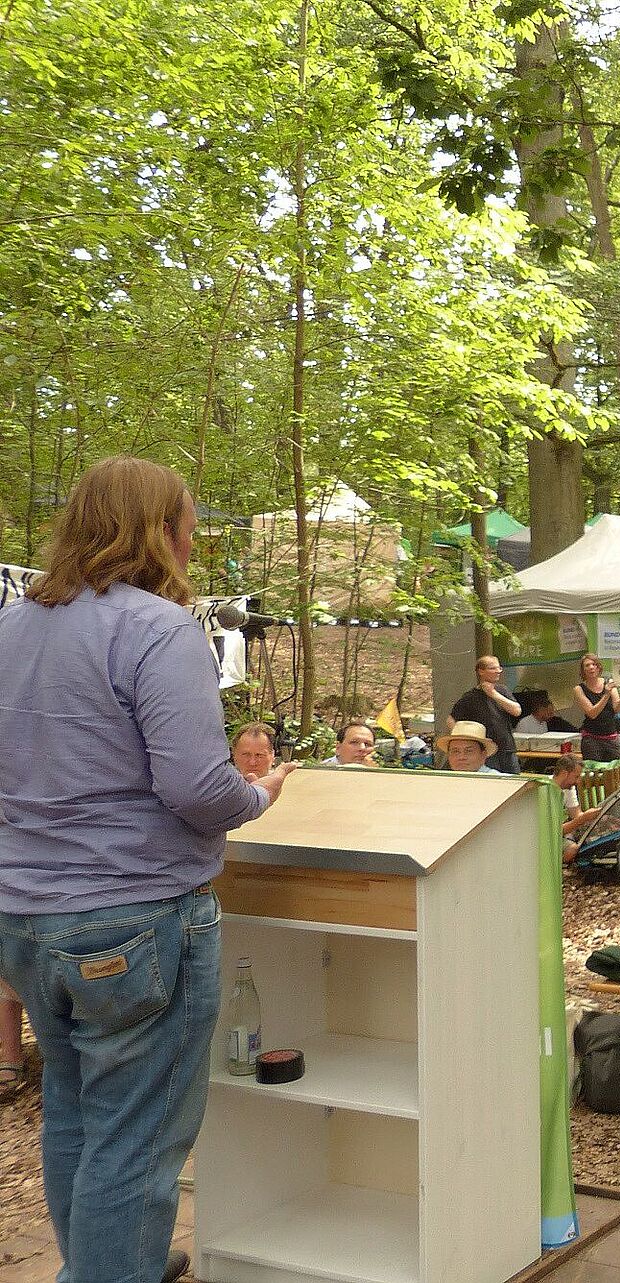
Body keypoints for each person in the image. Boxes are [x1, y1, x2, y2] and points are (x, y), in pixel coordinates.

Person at [0, 455, 294, 1283]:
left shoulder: (14, 624)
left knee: (77, 1108)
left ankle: (95, 1266)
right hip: (132, 919)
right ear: (159, 531)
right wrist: (260, 793)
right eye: (188, 522)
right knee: (137, 1133)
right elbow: (199, 789)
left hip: (23, 915)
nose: (194, 539)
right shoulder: (159, 629)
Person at [451, 655, 522, 773]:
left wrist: (493, 693)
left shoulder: (502, 690)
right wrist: (467, 737)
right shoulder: (471, 697)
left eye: (499, 668)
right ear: (481, 671)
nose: (498, 671)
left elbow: (516, 710)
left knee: (513, 781)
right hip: (487, 752)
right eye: (493, 668)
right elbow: (451, 720)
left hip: (507, 748)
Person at [573, 653, 620, 762]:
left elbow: (617, 709)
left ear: (599, 667)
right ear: (583, 670)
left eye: (594, 664)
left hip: (611, 737)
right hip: (591, 739)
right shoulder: (579, 689)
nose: (591, 667)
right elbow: (592, 713)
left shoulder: (609, 683)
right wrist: (606, 694)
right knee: (594, 772)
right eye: (587, 665)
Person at [439, 720, 505, 773]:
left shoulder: (497, 781)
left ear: (483, 755)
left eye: (469, 751)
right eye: (455, 751)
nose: (461, 757)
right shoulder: (443, 782)